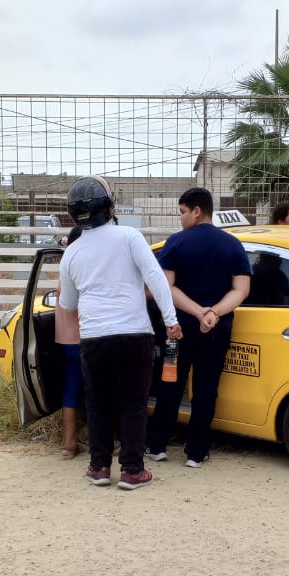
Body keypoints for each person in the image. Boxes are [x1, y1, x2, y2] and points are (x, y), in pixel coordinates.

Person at [58, 177, 181, 490]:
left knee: (97, 403)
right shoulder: (129, 236)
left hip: (94, 338)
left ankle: (99, 467)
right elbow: (154, 276)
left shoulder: (71, 253)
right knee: (133, 403)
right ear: (108, 206)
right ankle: (132, 470)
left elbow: (67, 303)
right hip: (133, 334)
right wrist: (170, 319)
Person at [145, 187, 251, 469]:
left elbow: (165, 287)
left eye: (182, 212)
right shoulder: (233, 245)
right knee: (206, 388)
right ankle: (196, 451)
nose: (180, 218)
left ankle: (157, 446)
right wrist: (213, 312)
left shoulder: (176, 243)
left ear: (196, 210)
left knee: (170, 382)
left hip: (175, 330)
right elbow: (241, 290)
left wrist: (196, 311)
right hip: (217, 330)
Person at [56, 226, 83, 459]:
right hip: (87, 338)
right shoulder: (82, 267)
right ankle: (110, 441)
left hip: (66, 340)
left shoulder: (64, 266)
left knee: (71, 390)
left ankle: (69, 445)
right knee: (99, 390)